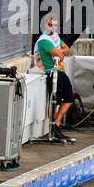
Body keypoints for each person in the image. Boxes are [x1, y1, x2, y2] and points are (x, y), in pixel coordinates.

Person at [34, 15, 76, 143]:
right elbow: (60, 54)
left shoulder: (55, 37)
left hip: (61, 71)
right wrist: (60, 52)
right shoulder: (44, 40)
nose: (54, 27)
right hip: (52, 72)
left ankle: (56, 124)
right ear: (45, 25)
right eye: (51, 25)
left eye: (56, 25)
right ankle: (51, 128)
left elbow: (68, 49)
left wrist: (60, 52)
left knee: (69, 97)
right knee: (55, 100)